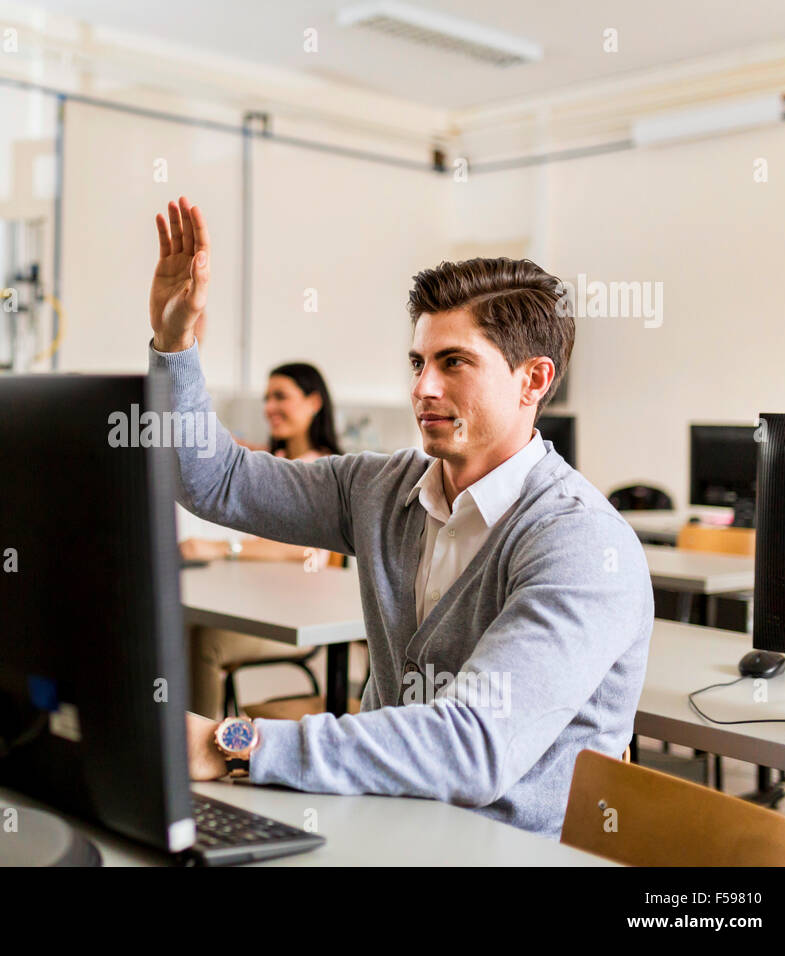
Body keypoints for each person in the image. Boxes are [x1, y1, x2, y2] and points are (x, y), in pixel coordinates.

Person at [149, 196, 652, 838]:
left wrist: (233, 743)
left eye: (454, 362)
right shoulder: (381, 489)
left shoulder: (580, 541)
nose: (423, 388)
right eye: (418, 362)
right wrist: (174, 341)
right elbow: (213, 480)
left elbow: (472, 747)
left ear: (533, 379)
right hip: (377, 823)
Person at [179, 362, 345, 717]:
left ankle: (203, 749)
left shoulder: (328, 472)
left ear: (314, 402)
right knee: (184, 625)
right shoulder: (276, 463)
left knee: (204, 642)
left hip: (298, 618)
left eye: (281, 396)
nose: (270, 407)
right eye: (267, 397)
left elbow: (303, 548)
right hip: (260, 604)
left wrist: (222, 549)